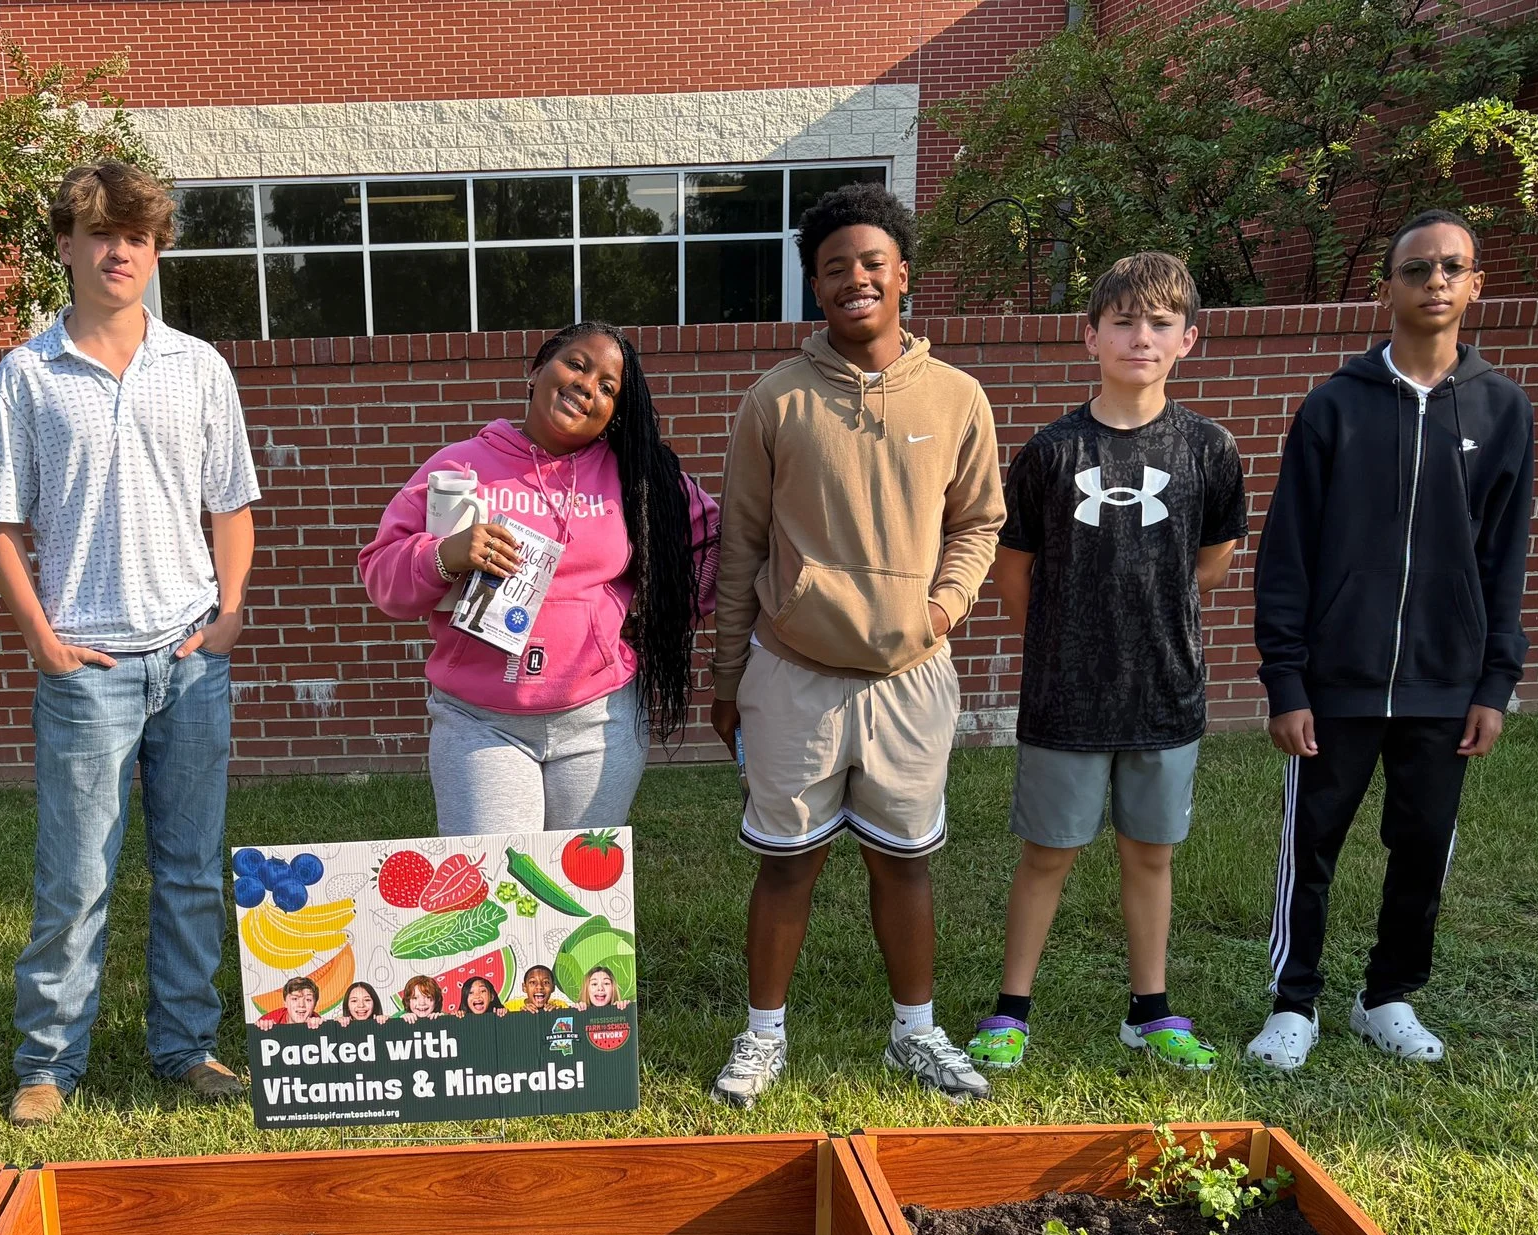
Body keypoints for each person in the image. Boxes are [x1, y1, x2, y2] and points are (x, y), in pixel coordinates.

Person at [707, 182, 1005, 1109]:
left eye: (872, 263)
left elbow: (979, 523)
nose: (855, 279)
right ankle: (762, 1037)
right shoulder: (776, 399)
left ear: (903, 274)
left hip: (911, 673)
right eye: (834, 268)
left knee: (903, 860)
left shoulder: (957, 397)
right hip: (792, 673)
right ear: (816, 286)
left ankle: (914, 1032)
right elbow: (741, 546)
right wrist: (727, 674)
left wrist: (941, 611)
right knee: (787, 862)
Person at [0, 161, 261, 1125]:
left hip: (189, 659)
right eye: (101, 233)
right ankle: (47, 1063)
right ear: (66, 245)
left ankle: (186, 1046)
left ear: (155, 251)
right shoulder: (26, 376)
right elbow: (2, 524)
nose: (119, 252)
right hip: (86, 669)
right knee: (77, 878)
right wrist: (44, 643)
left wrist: (228, 614)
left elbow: (231, 504)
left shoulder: (199, 368)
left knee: (191, 869)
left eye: (137, 237)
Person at [1246, 209, 1532, 1072]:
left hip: (1447, 681)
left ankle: (1388, 995)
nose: (1435, 281)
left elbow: (1505, 556)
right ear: (1388, 289)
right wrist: (1287, 681)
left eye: (1452, 267)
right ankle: (1294, 1002)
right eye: (1416, 269)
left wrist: (1495, 682)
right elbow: (1287, 553)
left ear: (1475, 283)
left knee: (1423, 846)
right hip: (1338, 678)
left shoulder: (1502, 409)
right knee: (1311, 847)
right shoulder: (1334, 406)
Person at [964, 253, 1247, 1076]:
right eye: (1123, 321)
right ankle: (1012, 1007)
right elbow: (1014, 572)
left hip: (1165, 690)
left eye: (1160, 323)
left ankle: (1149, 1010)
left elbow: (1211, 561)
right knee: (1047, 853)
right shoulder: (1051, 452)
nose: (1140, 337)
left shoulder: (1208, 448)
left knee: (1150, 853)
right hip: (1067, 696)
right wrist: (1070, 640)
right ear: (1090, 336)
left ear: (1188, 339)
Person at [359, 322, 720, 834]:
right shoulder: (460, 466)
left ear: (615, 410)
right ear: (535, 371)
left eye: (607, 386)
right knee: (495, 877)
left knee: (580, 878)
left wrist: (657, 611)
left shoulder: (640, 476)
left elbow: (715, 543)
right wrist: (445, 555)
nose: (587, 387)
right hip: (481, 722)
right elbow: (382, 575)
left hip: (601, 719)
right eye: (576, 364)